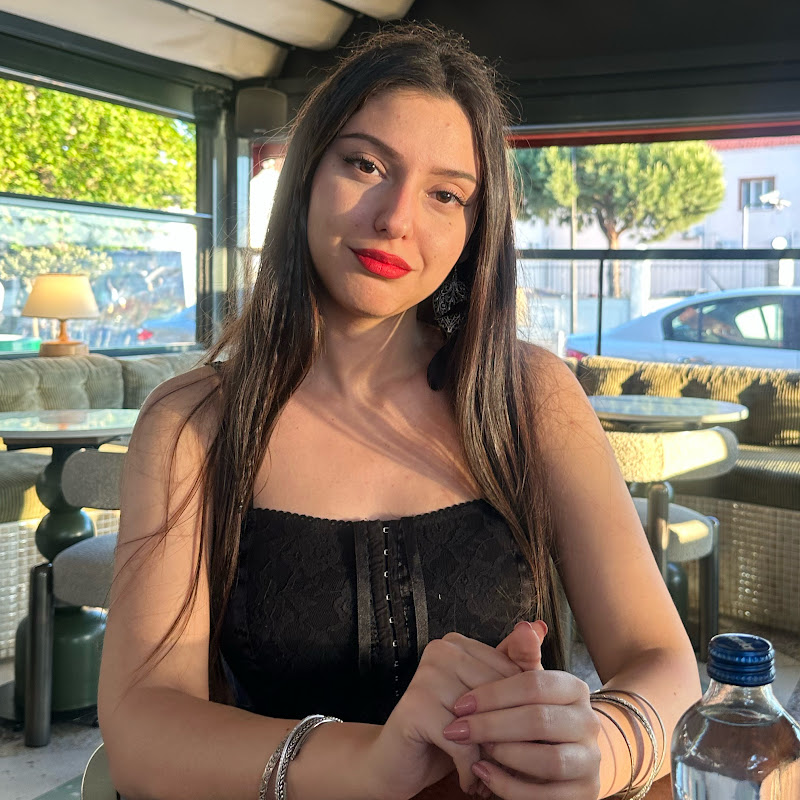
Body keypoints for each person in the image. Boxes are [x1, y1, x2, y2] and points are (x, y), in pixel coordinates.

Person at [98, 23, 701, 800]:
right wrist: (371, 761)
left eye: (445, 194)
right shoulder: (194, 424)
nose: (395, 218)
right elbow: (143, 727)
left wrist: (604, 749)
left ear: (475, 231)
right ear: (307, 175)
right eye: (365, 164)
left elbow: (664, 662)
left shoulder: (531, 396)